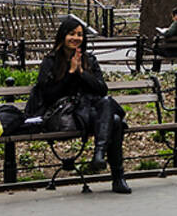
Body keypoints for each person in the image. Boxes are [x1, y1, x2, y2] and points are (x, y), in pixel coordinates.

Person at [25, 17, 131, 194]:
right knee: (115, 120)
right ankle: (116, 175)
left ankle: (101, 157)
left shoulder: (88, 59)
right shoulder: (50, 61)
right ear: (62, 36)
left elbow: (102, 89)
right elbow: (48, 95)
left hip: (89, 114)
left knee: (108, 109)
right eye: (71, 34)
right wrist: (71, 73)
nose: (76, 38)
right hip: (65, 117)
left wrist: (81, 72)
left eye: (80, 35)